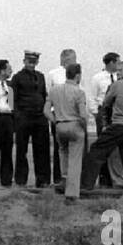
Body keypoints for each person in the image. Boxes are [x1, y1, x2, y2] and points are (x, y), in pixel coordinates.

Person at [81, 58, 123, 201]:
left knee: (97, 150)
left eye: (122, 70)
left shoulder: (118, 85)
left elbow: (106, 104)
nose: (120, 72)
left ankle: (86, 185)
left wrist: (105, 123)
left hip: (119, 124)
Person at [45, 62, 88, 200]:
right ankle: (72, 192)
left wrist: (55, 120)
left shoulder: (54, 90)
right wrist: (83, 125)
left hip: (60, 125)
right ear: (78, 76)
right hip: (74, 124)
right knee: (75, 160)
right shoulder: (79, 92)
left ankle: (63, 182)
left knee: (63, 155)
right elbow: (82, 114)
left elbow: (46, 110)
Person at [87, 53, 123, 188]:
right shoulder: (98, 78)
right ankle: (104, 179)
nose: (120, 65)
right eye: (118, 62)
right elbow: (92, 97)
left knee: (118, 149)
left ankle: (119, 178)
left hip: (118, 114)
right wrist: (97, 114)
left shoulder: (120, 77)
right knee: (103, 147)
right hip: (103, 114)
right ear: (111, 63)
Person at [11, 50, 50, 187]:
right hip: (24, 117)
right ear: (24, 61)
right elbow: (11, 99)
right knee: (21, 150)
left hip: (39, 117)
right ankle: (21, 180)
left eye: (34, 62)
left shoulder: (41, 77)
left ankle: (42, 180)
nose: (32, 64)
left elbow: (44, 96)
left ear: (37, 62)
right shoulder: (17, 77)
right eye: (29, 61)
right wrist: (17, 116)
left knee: (42, 150)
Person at [46, 49, 77, 184]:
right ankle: (59, 178)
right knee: (59, 147)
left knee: (75, 147)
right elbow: (47, 94)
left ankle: (74, 178)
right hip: (58, 114)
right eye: (72, 59)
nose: (75, 62)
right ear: (64, 60)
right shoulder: (53, 74)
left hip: (74, 114)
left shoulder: (78, 73)